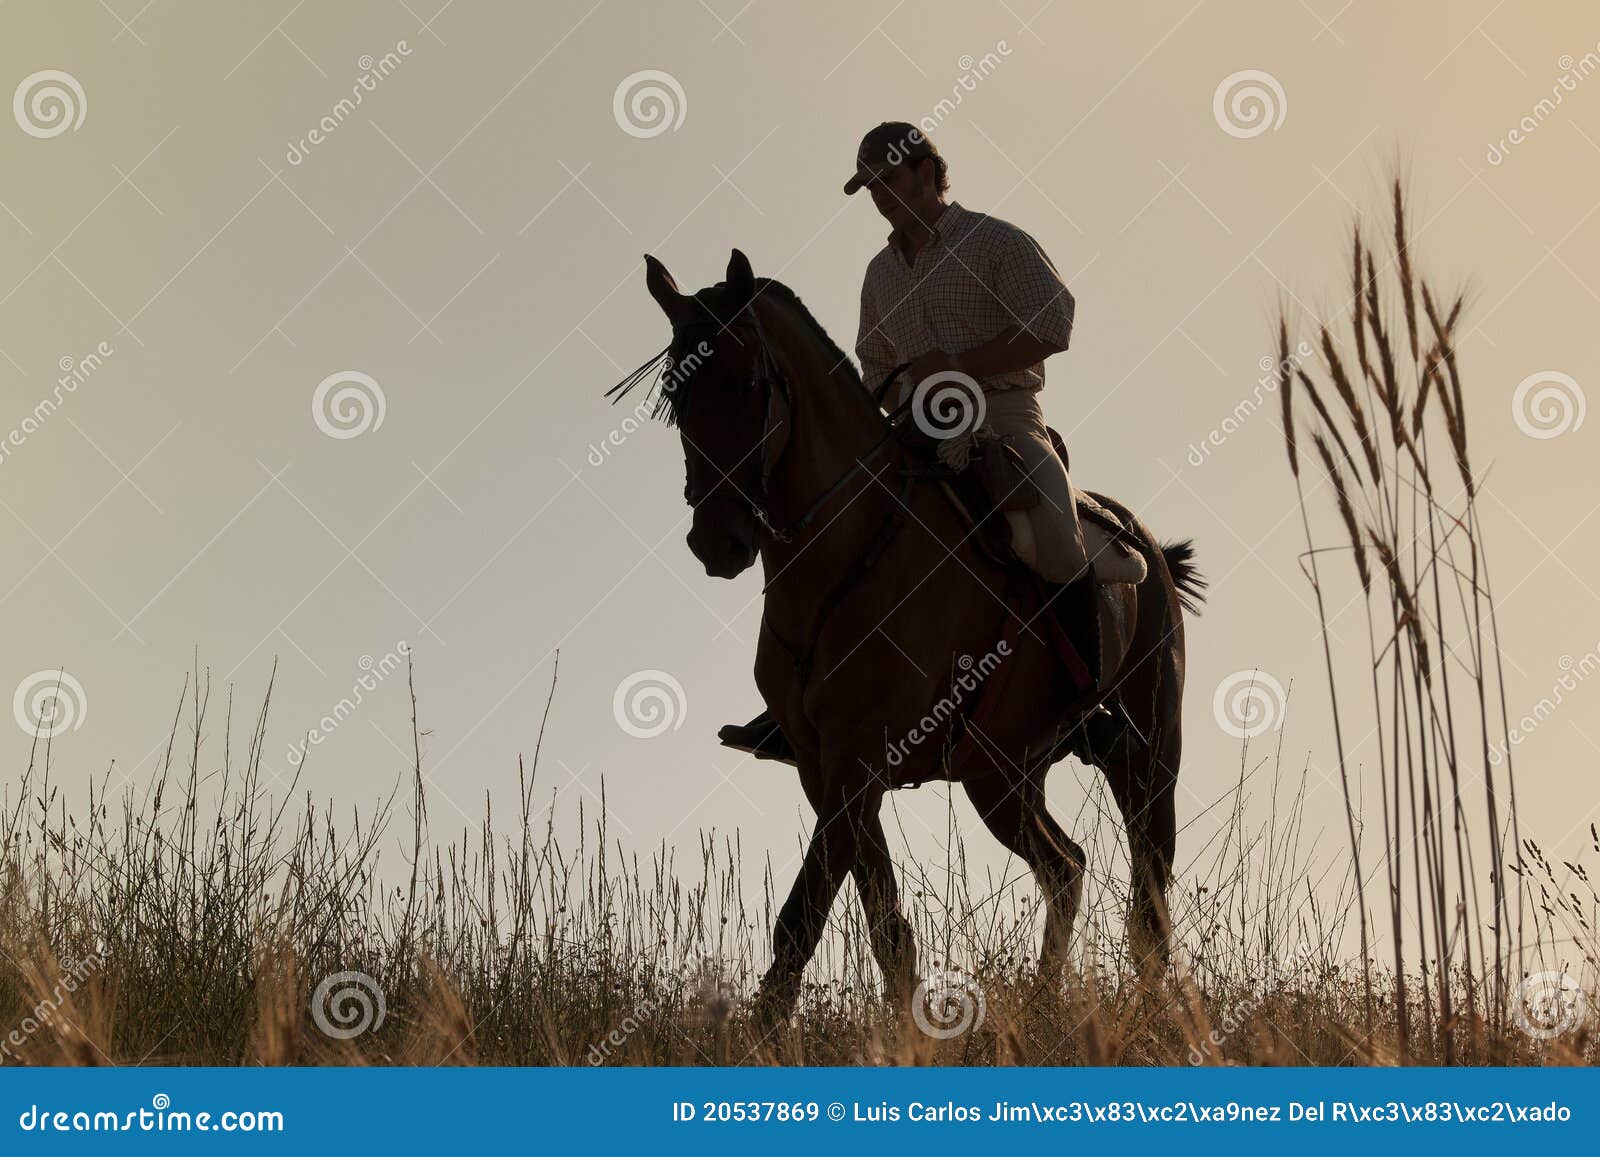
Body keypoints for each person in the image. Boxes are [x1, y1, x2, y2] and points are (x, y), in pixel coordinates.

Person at [719, 122, 1141, 766]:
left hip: (1004, 416)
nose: (880, 197)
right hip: (914, 429)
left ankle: (1088, 709)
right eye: (870, 188)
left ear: (926, 171)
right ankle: (797, 703)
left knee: (1055, 541)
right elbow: (874, 367)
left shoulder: (995, 240)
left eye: (888, 180)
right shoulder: (878, 275)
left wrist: (960, 365)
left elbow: (1053, 323)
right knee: (832, 524)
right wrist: (895, 401)